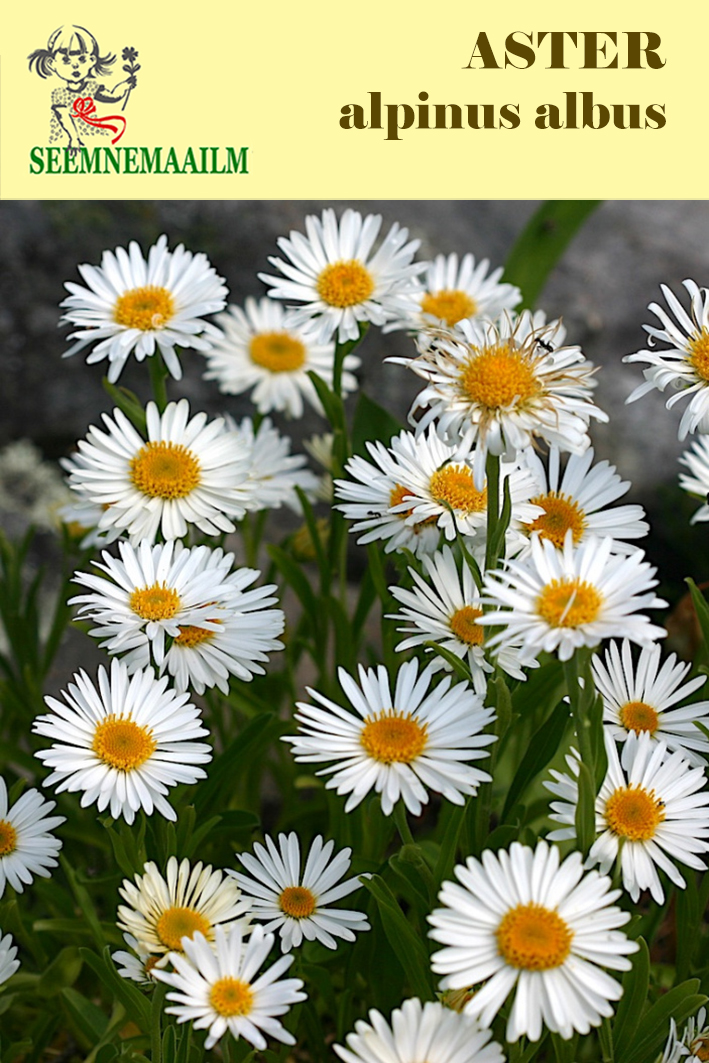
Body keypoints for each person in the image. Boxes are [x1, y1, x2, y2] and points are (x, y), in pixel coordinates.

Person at [28, 25, 137, 150]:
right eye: (66, 60)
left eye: (81, 59)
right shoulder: (59, 94)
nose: (75, 65)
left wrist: (124, 86)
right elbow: (64, 116)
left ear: (91, 60)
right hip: (67, 139)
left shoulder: (92, 87)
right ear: (52, 63)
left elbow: (111, 97)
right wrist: (73, 138)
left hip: (91, 134)